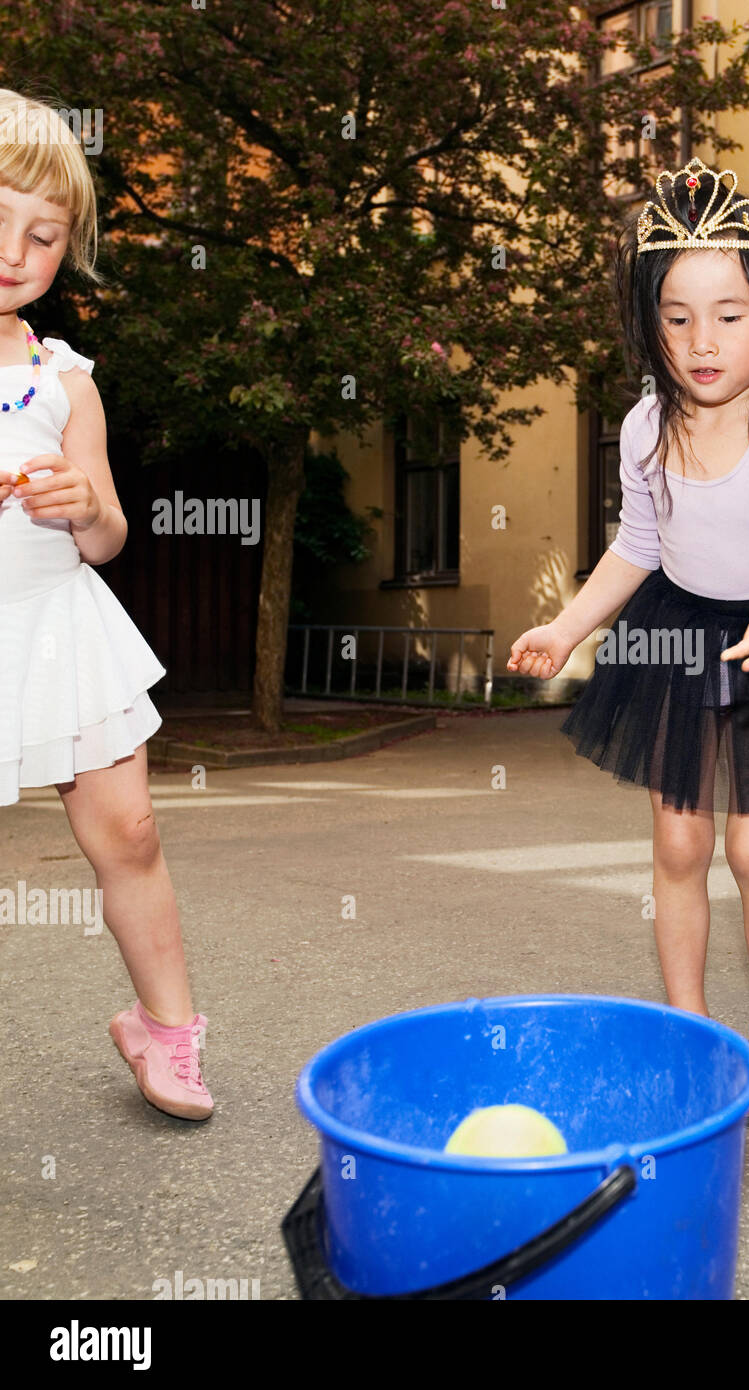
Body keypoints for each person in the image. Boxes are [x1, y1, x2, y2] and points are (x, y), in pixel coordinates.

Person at [507, 157, 749, 1120]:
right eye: (676, 317)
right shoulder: (644, 426)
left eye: (728, 314)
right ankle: (688, 1028)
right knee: (677, 847)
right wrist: (566, 626)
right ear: (649, 323)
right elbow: (638, 546)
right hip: (675, 637)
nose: (702, 340)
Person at [0, 89, 212, 1119]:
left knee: (128, 829)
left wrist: (84, 507)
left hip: (60, 625)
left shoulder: (63, 379)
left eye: (42, 235)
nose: (14, 250)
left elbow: (110, 536)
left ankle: (165, 1030)